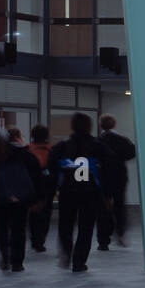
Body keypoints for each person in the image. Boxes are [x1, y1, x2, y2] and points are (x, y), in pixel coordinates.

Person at [51, 112, 114, 272]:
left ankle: (66, 253)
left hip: (68, 191)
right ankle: (79, 261)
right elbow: (109, 171)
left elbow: (52, 168)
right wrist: (107, 194)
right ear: (89, 126)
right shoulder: (98, 146)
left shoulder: (62, 146)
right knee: (86, 228)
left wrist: (54, 189)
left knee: (65, 225)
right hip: (90, 192)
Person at [0, 129, 42, 272]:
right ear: (17, 137)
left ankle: (5, 256)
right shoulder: (26, 155)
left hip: (0, 199)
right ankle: (17, 262)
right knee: (18, 230)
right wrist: (37, 199)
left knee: (1, 229)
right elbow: (36, 178)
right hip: (21, 199)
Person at [96, 115, 137, 250]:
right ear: (114, 124)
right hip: (119, 177)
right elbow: (132, 153)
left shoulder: (98, 141)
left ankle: (103, 240)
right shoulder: (122, 140)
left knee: (103, 208)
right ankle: (120, 233)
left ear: (101, 125)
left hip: (102, 178)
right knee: (119, 206)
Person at [27, 124, 56, 252]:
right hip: (47, 186)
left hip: (31, 185)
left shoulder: (27, 149)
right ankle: (40, 240)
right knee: (46, 212)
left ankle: (34, 238)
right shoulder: (52, 150)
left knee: (33, 212)